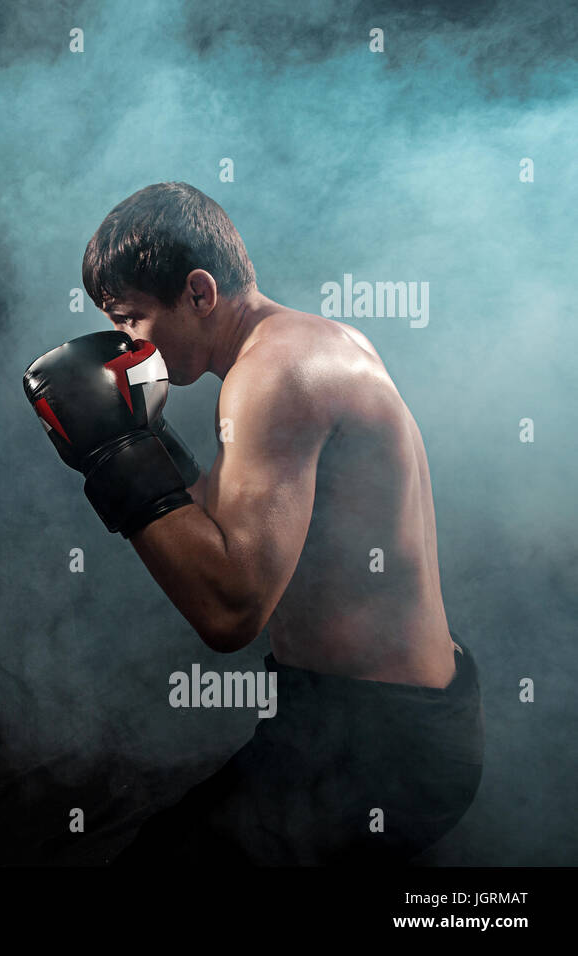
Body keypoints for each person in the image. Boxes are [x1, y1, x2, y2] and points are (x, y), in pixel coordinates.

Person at [23, 182, 482, 865]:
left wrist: (115, 456)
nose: (126, 343)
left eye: (133, 319)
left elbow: (231, 612)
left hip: (381, 742)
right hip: (355, 717)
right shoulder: (306, 344)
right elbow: (225, 525)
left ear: (199, 294)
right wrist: (150, 446)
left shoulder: (277, 374)